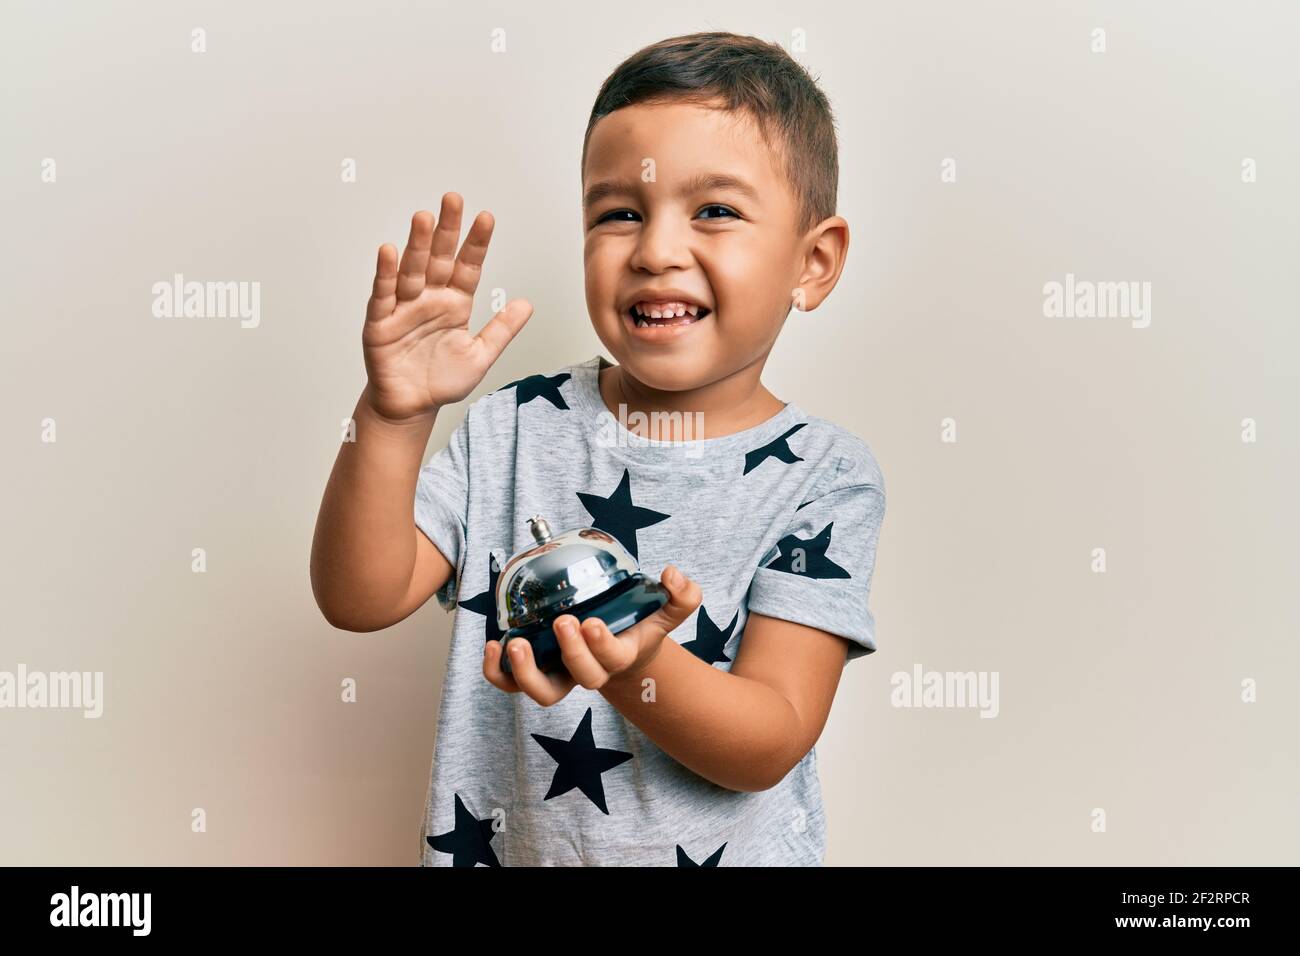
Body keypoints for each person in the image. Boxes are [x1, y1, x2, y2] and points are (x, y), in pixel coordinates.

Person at [311, 31, 887, 866]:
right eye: (619, 213)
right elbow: (359, 596)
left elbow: (770, 740)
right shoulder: (514, 426)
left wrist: (630, 659)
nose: (655, 251)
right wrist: (393, 416)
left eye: (715, 211)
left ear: (815, 262)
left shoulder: (825, 479)